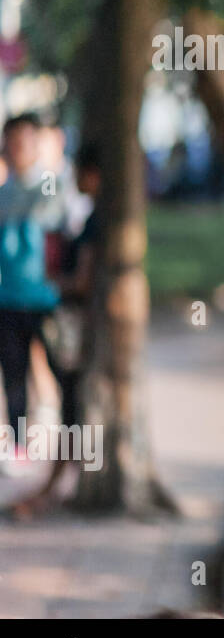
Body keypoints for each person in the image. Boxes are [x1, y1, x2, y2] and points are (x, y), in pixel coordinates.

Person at [10, 141, 102, 517]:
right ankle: (60, 481)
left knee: (72, 401)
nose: (75, 178)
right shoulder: (94, 217)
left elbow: (82, 282)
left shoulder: (96, 222)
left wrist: (50, 282)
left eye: (80, 170)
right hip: (77, 326)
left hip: (78, 327)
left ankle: (55, 483)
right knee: (70, 400)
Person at [0, 113, 70, 471]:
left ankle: (73, 445)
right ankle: (18, 447)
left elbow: (57, 222)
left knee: (63, 371)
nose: (19, 148)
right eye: (13, 141)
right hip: (9, 301)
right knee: (14, 377)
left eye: (26, 140)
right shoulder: (4, 194)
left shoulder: (50, 186)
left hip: (47, 302)